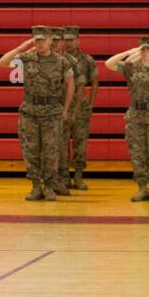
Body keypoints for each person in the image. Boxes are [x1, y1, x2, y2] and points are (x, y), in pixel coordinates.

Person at [0, 26, 74, 202]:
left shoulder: (61, 61)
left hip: (51, 112)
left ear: (50, 41)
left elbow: (70, 84)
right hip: (30, 112)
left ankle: (48, 187)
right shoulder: (26, 58)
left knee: (50, 151)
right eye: (37, 40)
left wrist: (65, 109)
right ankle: (35, 186)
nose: (39, 43)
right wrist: (20, 47)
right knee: (30, 150)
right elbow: (2, 63)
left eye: (42, 40)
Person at [106, 37, 149, 202]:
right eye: (142, 49)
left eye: (148, 49)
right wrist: (130, 51)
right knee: (138, 154)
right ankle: (142, 188)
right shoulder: (131, 68)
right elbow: (109, 63)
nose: (145, 52)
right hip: (136, 116)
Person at [59, 26, 96, 191]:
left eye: (71, 40)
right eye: (65, 40)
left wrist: (91, 104)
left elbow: (94, 82)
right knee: (62, 143)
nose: (68, 43)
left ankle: (79, 177)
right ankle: (64, 177)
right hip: (62, 105)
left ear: (78, 41)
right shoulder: (58, 59)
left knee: (80, 144)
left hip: (81, 107)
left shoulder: (87, 60)